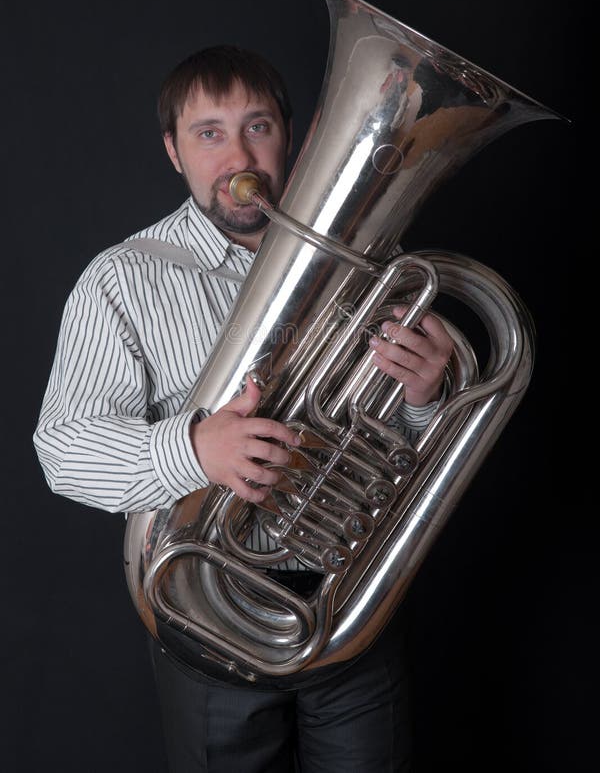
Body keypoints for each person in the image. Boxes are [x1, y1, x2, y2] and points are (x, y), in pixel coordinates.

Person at [34, 45, 453, 772]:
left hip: (351, 604)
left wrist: (423, 399)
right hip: (209, 616)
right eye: (209, 133)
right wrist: (195, 451)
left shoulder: (367, 266)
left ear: (291, 136)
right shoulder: (123, 279)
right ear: (173, 151)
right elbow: (64, 450)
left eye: (257, 127)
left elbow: (397, 450)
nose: (239, 157)